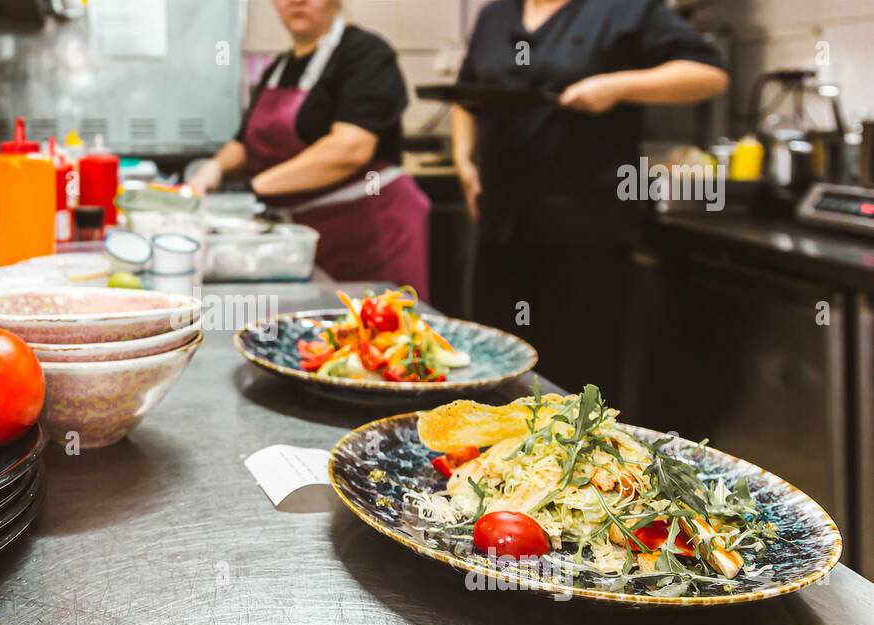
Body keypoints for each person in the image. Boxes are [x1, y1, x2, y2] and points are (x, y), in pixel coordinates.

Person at [452, 0, 728, 396]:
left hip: (586, 234)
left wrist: (617, 86)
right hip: (501, 227)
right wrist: (464, 161)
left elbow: (709, 75)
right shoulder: (495, 15)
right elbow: (466, 96)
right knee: (497, 371)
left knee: (577, 378)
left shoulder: (622, 8)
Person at [189, 0, 432, 299]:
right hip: (306, 239)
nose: (297, 0)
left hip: (369, 231)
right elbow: (245, 143)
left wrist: (253, 187)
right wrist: (214, 167)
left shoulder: (367, 55)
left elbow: (349, 149)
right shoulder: (278, 68)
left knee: (384, 332)